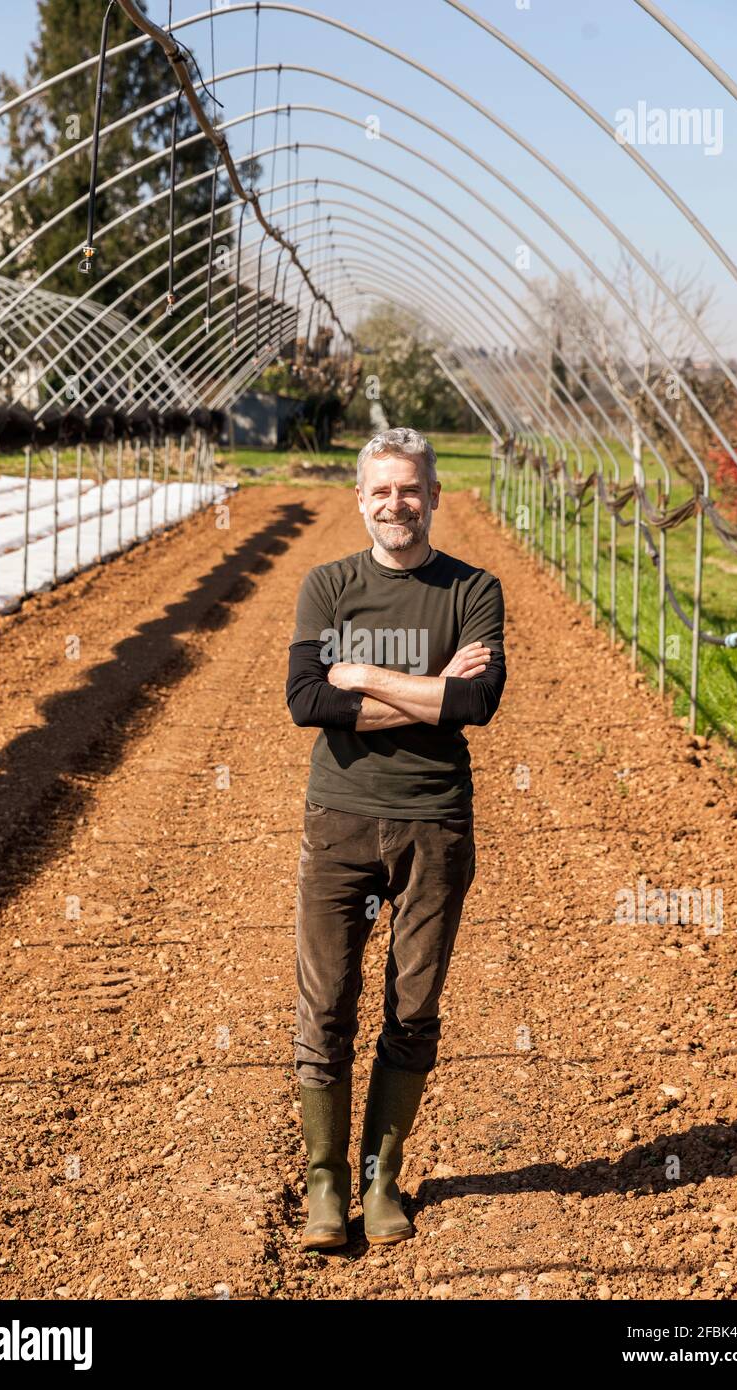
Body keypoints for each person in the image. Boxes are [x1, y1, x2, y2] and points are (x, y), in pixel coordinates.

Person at [285, 426, 506, 1248]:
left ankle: (381, 1183)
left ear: (436, 494)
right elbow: (309, 702)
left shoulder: (472, 590)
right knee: (326, 1006)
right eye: (380, 490)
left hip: (435, 822)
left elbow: (475, 707)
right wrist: (428, 690)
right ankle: (325, 1184)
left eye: (410, 488)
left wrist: (369, 678)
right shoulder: (328, 586)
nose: (396, 504)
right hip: (338, 816)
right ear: (360, 499)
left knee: (413, 1010)